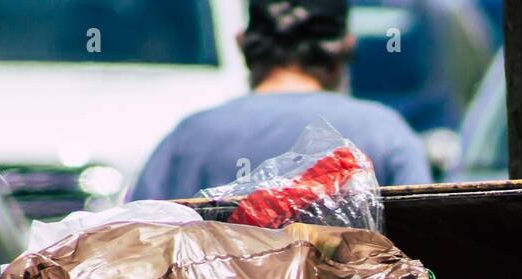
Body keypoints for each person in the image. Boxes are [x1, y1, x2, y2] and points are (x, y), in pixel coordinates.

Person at [128, 0, 431, 200]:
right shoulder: (385, 131)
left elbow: (131, 245)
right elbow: (429, 244)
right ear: (347, 47)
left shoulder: (189, 137)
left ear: (242, 42)